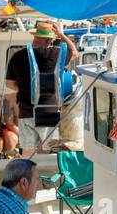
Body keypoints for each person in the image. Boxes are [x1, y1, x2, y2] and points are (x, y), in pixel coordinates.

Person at [5, 22, 78, 154]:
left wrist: (24, 89)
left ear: (35, 37)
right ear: (49, 40)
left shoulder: (17, 56)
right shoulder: (55, 54)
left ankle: (26, 173)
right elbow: (74, 52)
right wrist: (61, 34)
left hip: (26, 109)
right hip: (48, 110)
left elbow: (9, 83)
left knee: (28, 151)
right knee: (48, 149)